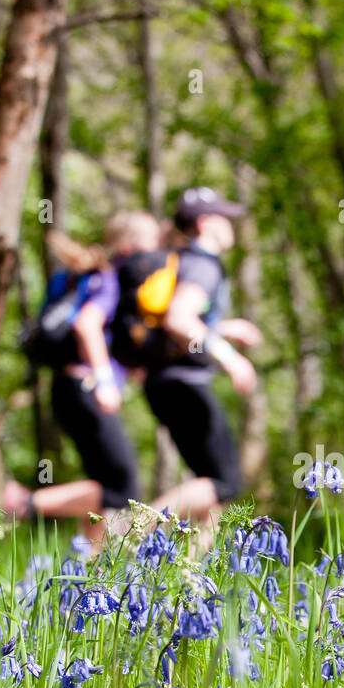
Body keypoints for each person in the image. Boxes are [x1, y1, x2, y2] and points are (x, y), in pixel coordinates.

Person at [2, 210, 162, 538]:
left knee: (103, 486)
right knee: (123, 490)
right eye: (152, 240)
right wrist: (104, 380)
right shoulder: (109, 276)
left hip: (67, 387)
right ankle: (25, 502)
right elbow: (87, 324)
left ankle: (88, 572)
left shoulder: (82, 275)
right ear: (131, 245)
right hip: (86, 385)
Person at [140, 187, 262, 532]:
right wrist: (230, 357)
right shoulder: (202, 265)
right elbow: (178, 319)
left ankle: (190, 578)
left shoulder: (184, 259)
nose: (232, 226)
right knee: (223, 483)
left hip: (167, 381)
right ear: (205, 222)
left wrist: (223, 329)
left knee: (212, 489)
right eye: (225, 218)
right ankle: (126, 532)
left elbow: (181, 323)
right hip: (181, 383)